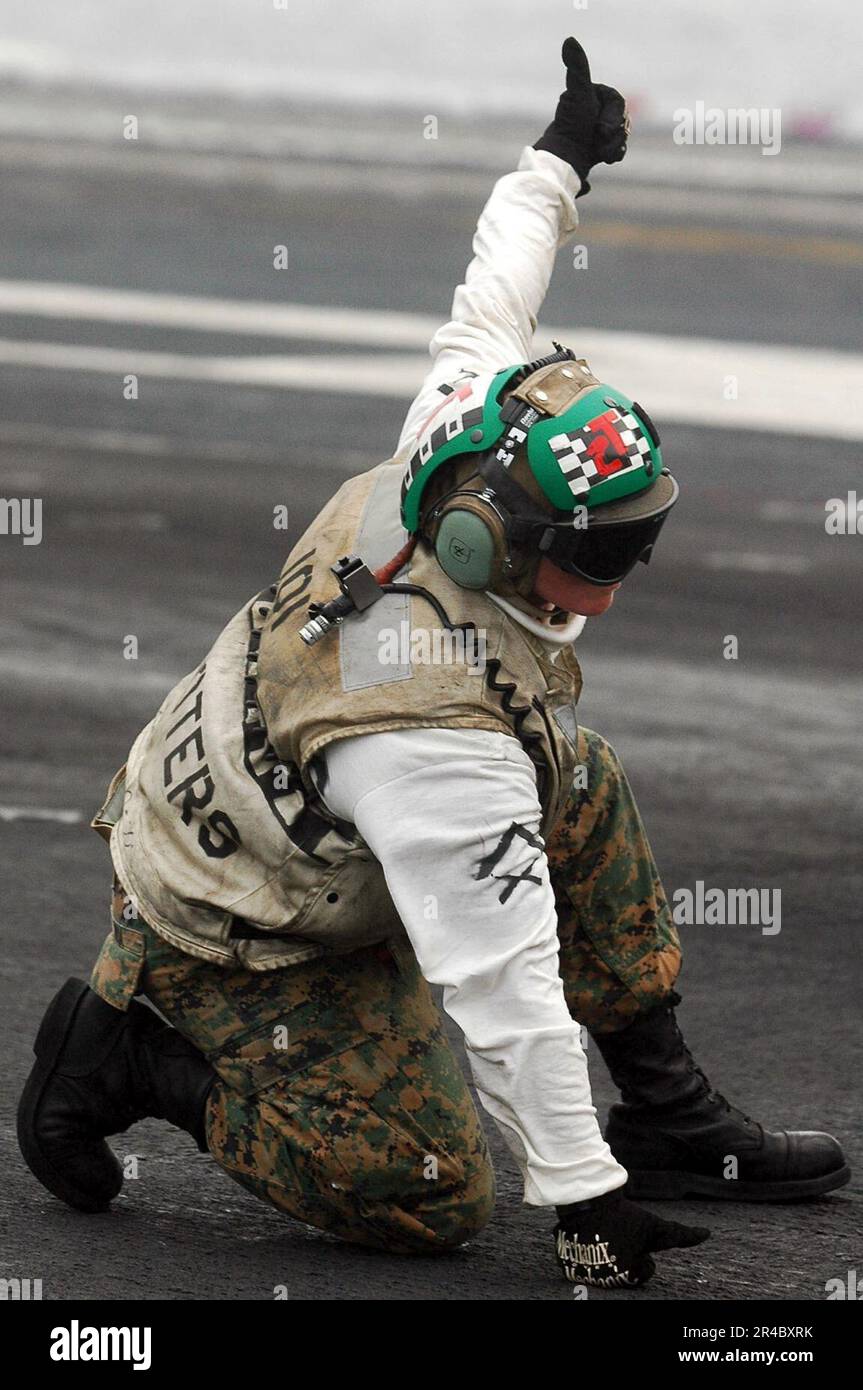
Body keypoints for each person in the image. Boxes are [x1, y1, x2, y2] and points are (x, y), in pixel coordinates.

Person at [17, 38, 848, 1291]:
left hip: (309, 818)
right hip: (238, 930)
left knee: (573, 773)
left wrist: (555, 160)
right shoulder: (433, 736)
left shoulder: (458, 435)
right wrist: (581, 1199)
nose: (622, 578)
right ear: (497, 543)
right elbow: (501, 983)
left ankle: (666, 1109)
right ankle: (128, 1053)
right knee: (429, 1188)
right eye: (607, 553)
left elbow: (493, 286)